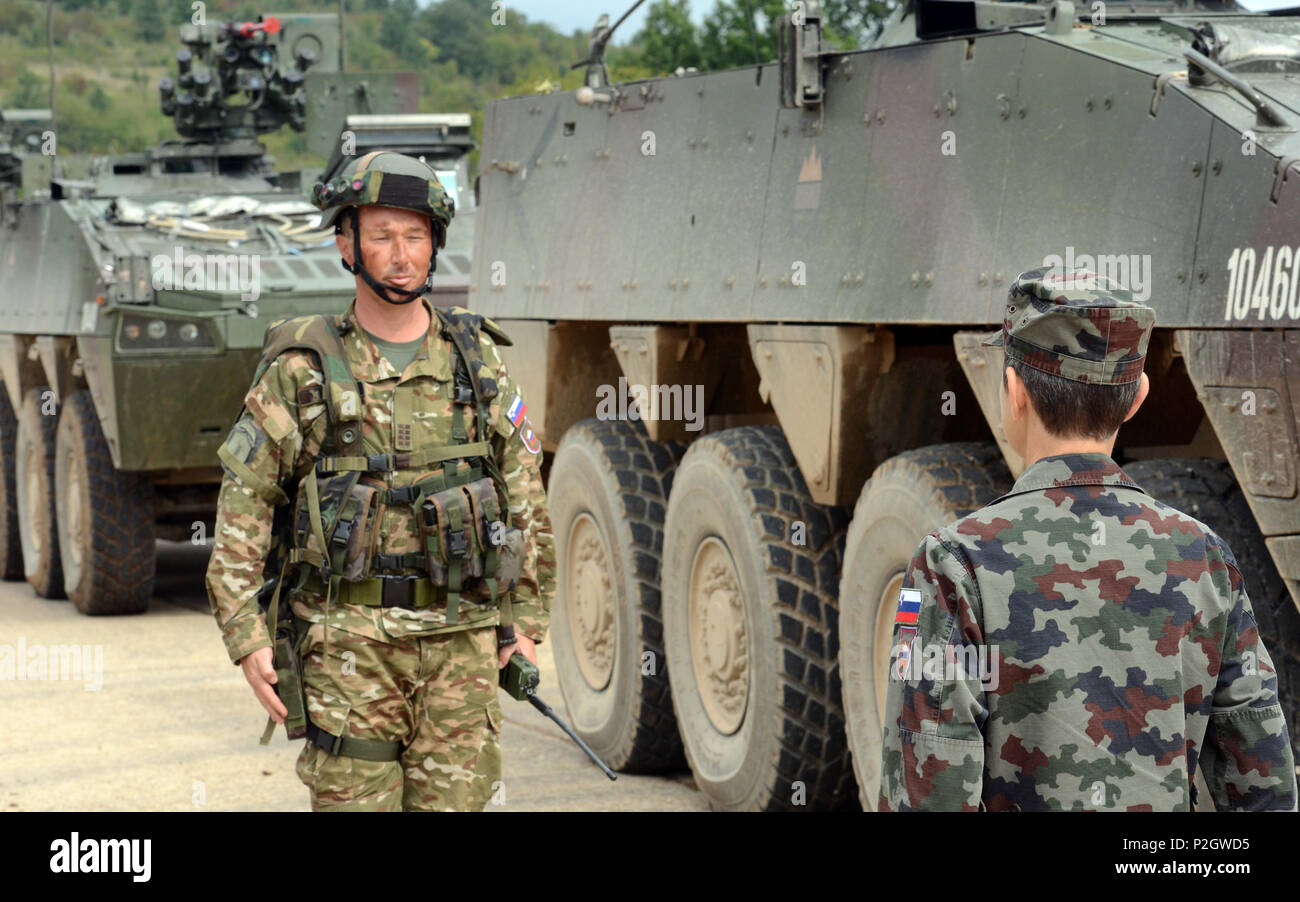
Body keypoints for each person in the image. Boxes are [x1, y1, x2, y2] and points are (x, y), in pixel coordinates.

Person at [205, 150, 555, 811]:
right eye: (383, 235)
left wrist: (525, 624)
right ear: (347, 245)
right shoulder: (303, 370)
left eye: (416, 235)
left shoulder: (476, 367)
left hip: (461, 649)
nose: (402, 253)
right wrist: (247, 640)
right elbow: (244, 510)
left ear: (435, 245)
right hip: (348, 652)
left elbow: (524, 500)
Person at [878, 267, 1297, 811]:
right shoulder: (1206, 558)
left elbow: (925, 787)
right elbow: (1263, 783)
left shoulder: (950, 565)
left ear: (1013, 392)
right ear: (1137, 397)